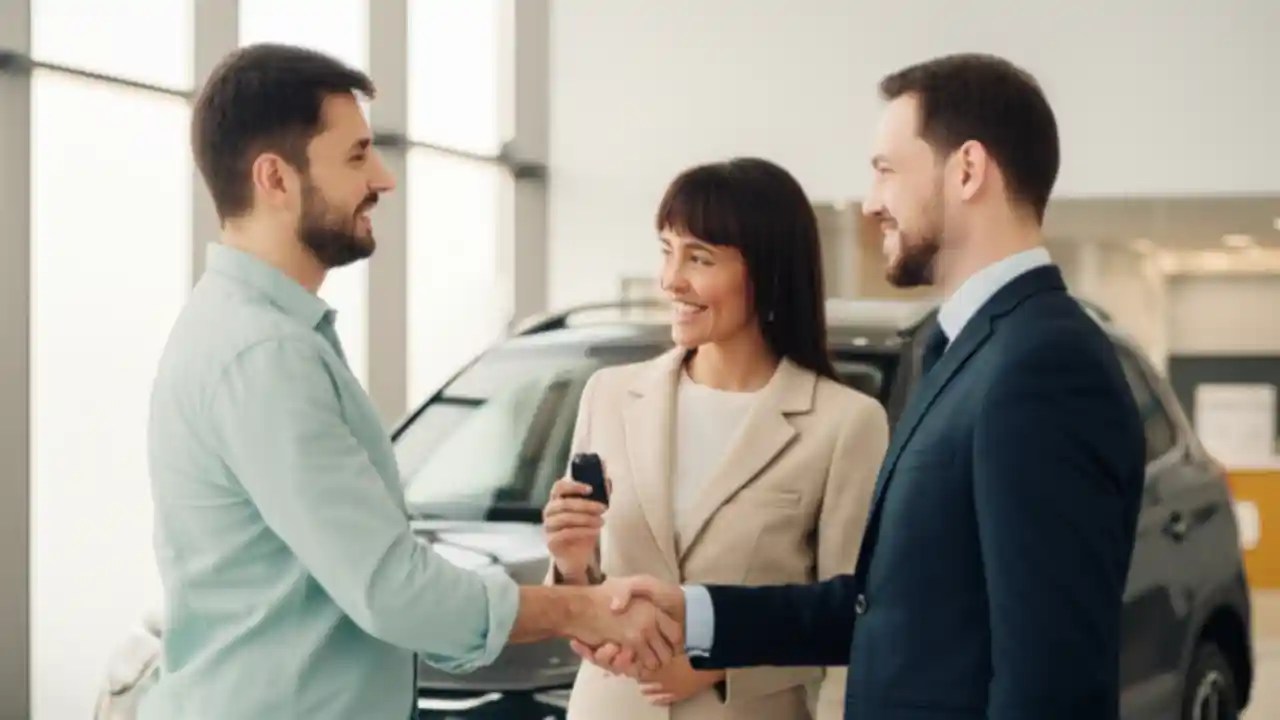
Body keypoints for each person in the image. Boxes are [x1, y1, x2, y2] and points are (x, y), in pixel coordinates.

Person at [580, 53, 1147, 720]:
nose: (871, 202)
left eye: (885, 171)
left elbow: (1052, 681)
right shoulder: (971, 351)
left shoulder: (1044, 365)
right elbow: (883, 604)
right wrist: (697, 612)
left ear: (967, 170)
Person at [142, 44, 679, 720]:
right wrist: (585, 608)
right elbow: (394, 591)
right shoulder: (264, 354)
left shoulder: (255, 334)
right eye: (356, 155)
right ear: (275, 179)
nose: (384, 178)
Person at [542, 158, 889, 720]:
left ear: (769, 273)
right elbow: (576, 605)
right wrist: (571, 565)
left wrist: (721, 664)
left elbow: (854, 617)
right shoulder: (609, 395)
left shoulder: (844, 423)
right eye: (666, 251)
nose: (671, 279)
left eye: (699, 258)